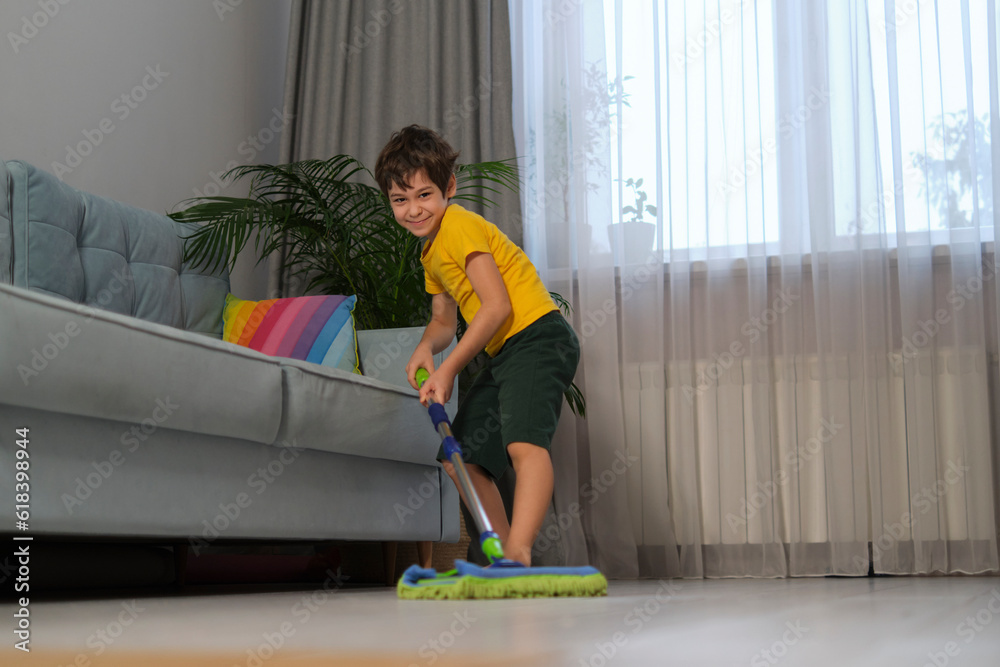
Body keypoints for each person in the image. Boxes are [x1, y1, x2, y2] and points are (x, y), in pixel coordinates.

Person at [374, 125, 580, 567]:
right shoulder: (430, 252)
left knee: (524, 446)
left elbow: (497, 307)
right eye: (400, 200)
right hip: (506, 352)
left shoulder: (460, 225)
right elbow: (443, 321)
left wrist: (448, 371)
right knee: (460, 457)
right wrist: (426, 349)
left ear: (448, 187)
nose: (413, 210)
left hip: (538, 337)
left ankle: (519, 555)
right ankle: (504, 559)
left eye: (424, 195)